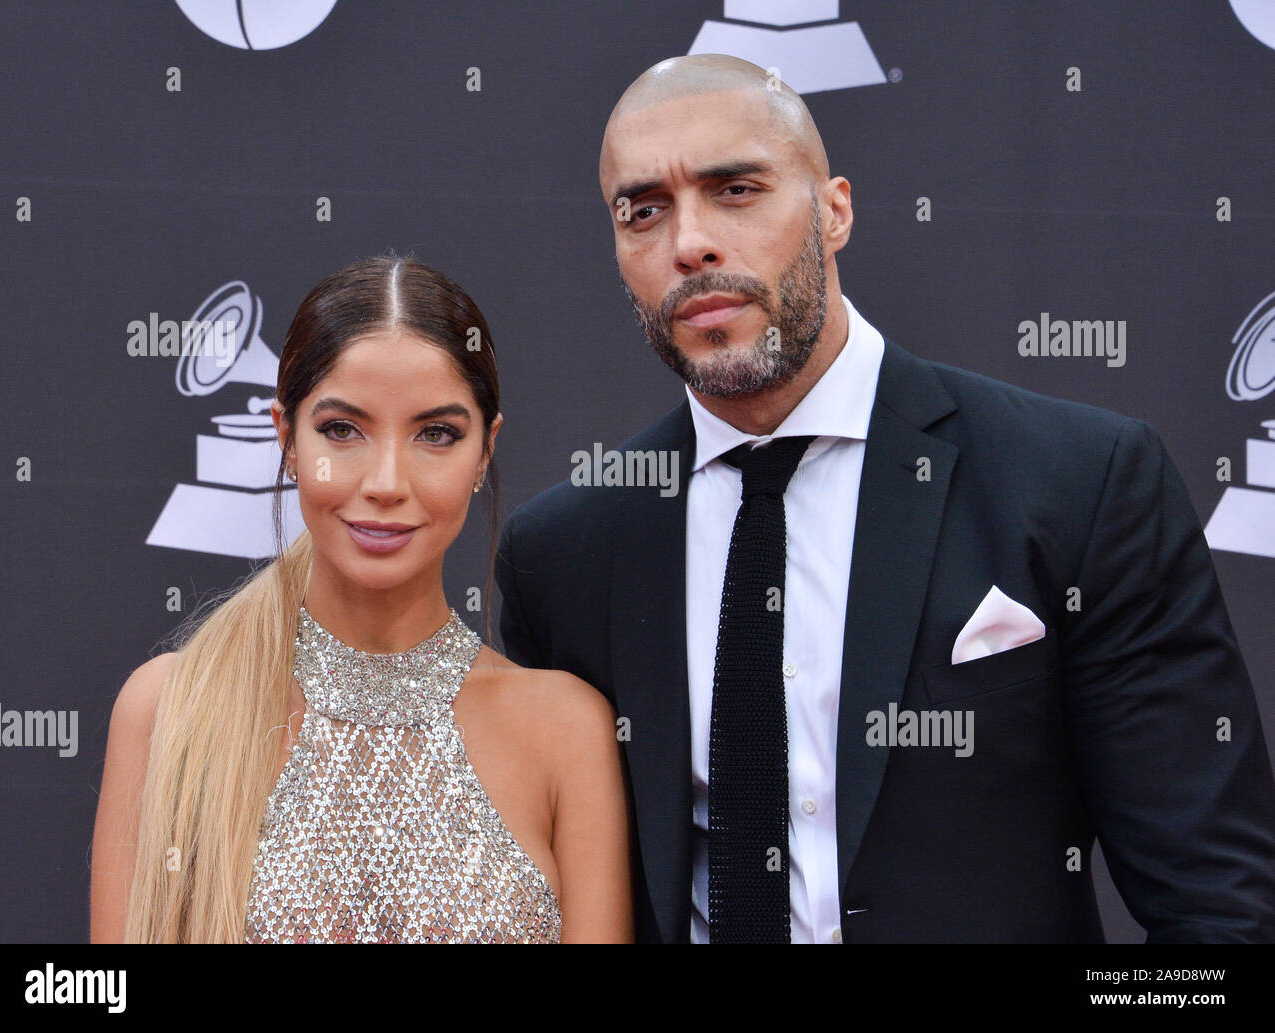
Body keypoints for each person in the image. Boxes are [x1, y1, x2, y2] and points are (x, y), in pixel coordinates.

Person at [495, 55, 1275, 943]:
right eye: (644, 211)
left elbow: (1221, 912)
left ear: (834, 211)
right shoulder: (564, 551)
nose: (690, 242)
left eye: (737, 189)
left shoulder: (1079, 481)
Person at [91, 255, 632, 943]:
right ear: (286, 438)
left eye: (436, 434)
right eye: (342, 430)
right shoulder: (168, 710)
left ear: (484, 452)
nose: (385, 480)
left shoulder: (568, 729)